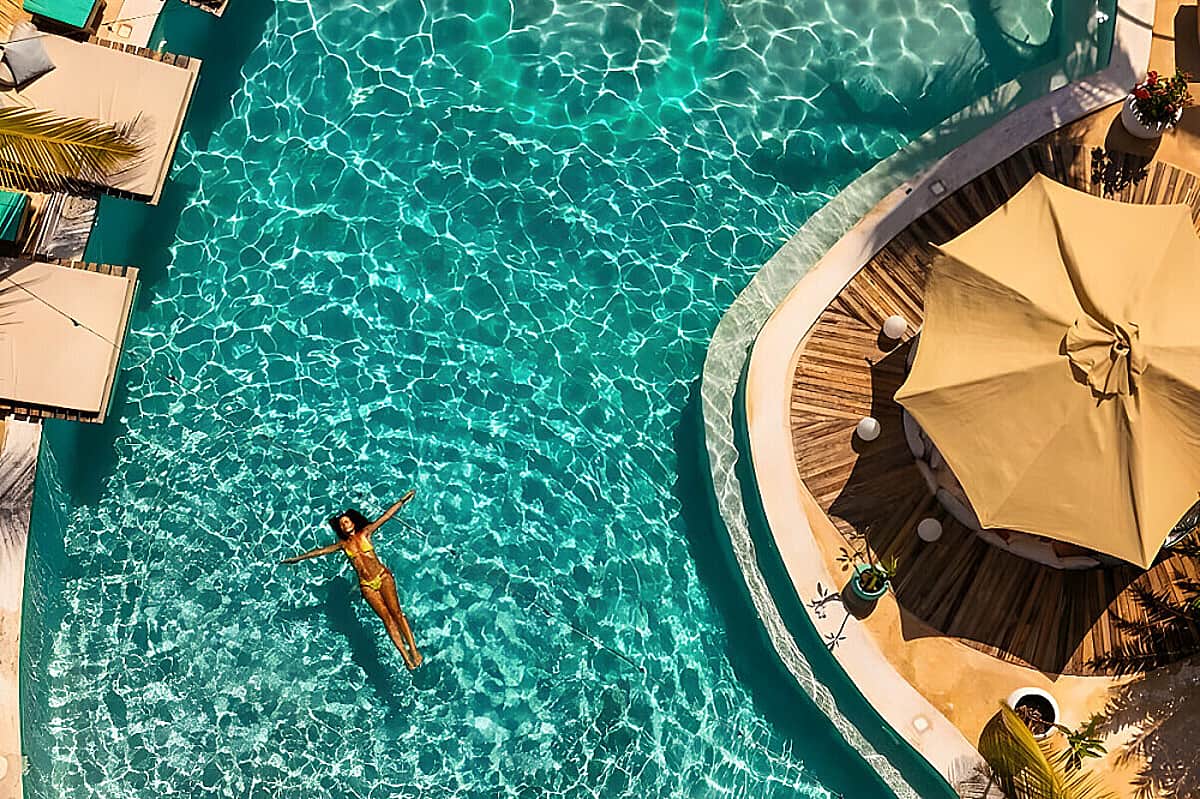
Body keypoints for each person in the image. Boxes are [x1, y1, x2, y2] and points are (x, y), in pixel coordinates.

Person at [283, 490, 423, 670]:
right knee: (387, 620)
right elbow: (320, 551)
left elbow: (386, 516)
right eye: (341, 524)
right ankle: (405, 657)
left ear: (353, 522)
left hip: (382, 576)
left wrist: (402, 500)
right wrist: (297, 558)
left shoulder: (366, 532)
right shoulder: (343, 545)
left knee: (396, 613)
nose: (344, 525)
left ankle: (413, 650)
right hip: (367, 586)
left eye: (346, 521)